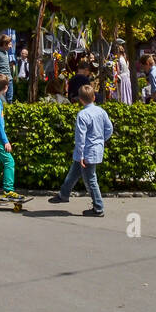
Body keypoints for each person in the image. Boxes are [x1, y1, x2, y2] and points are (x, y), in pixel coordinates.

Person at [49, 84, 113, 216]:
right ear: (94, 97)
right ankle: (64, 194)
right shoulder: (101, 111)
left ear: (80, 99)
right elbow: (109, 128)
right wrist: (102, 140)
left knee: (90, 179)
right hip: (96, 148)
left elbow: (80, 137)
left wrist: (81, 153)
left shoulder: (82, 114)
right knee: (74, 172)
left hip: (86, 151)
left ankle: (98, 207)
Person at [0, 35, 14, 102]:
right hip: (2, 80)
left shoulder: (6, 53)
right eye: (9, 44)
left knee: (10, 98)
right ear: (4, 44)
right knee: (2, 99)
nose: (10, 46)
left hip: (9, 79)